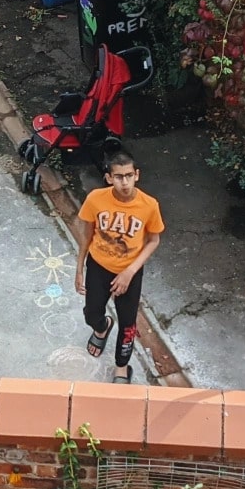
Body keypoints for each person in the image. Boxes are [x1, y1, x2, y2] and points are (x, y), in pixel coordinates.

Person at [74, 152, 163, 385]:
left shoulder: (149, 205)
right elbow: (87, 233)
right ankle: (102, 328)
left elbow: (154, 240)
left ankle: (122, 367)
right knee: (91, 313)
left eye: (128, 176)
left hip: (129, 271)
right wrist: (79, 268)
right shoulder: (96, 199)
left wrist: (130, 272)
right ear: (108, 178)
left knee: (128, 324)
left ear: (136, 176)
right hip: (98, 266)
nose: (124, 182)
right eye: (118, 177)